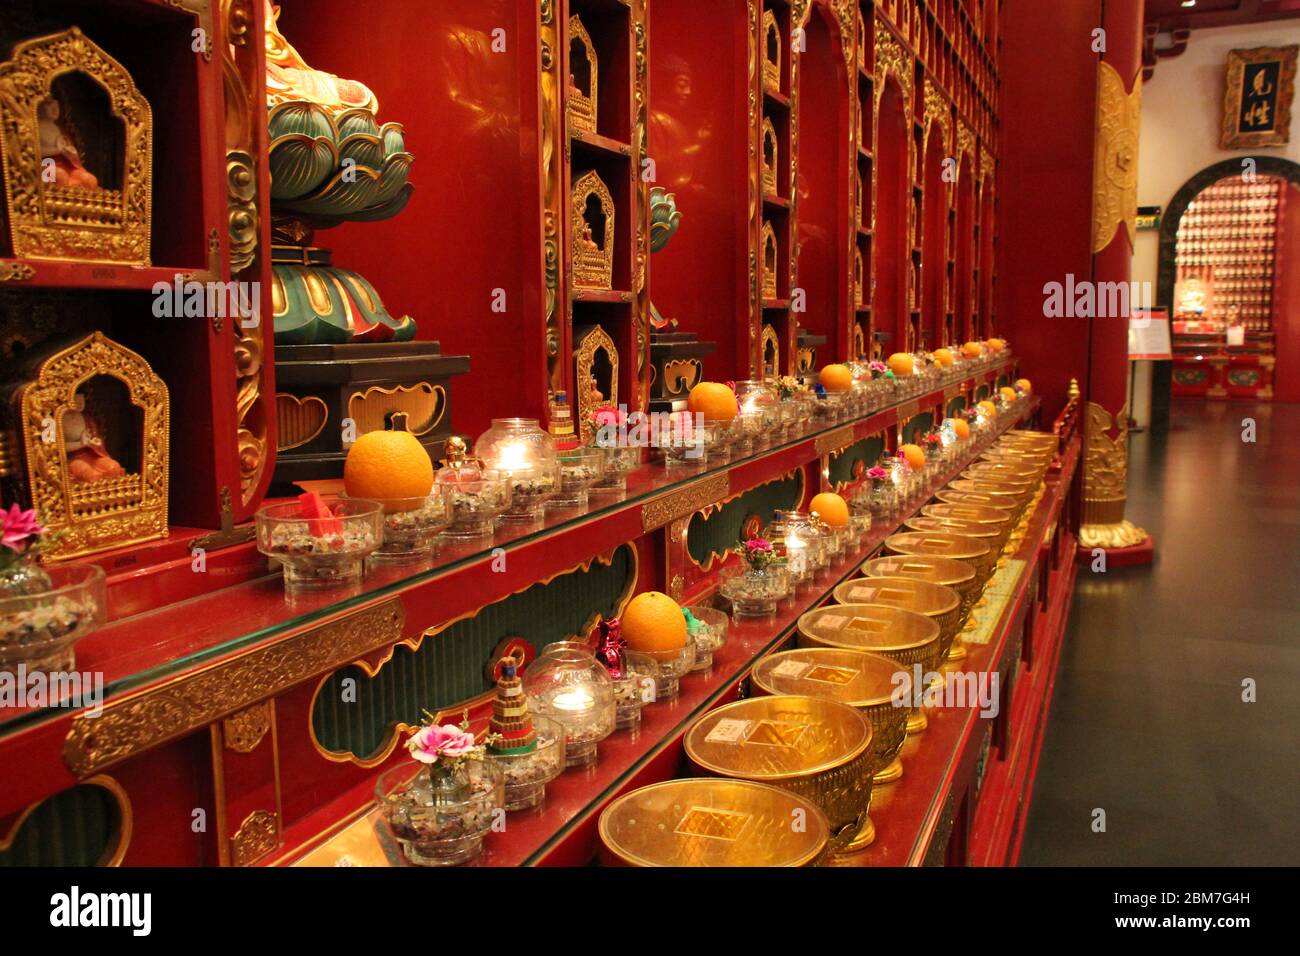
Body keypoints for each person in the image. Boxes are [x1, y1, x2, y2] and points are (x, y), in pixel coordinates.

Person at [37, 97, 99, 190]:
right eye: (49, 106)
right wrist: (58, 150)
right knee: (61, 176)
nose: (55, 110)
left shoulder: (59, 129)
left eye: (57, 106)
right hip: (46, 163)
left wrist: (70, 152)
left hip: (65, 164)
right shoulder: (35, 128)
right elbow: (32, 151)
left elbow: (67, 148)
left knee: (89, 179)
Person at [62, 393, 125, 483]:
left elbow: (94, 439)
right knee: (90, 475)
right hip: (72, 459)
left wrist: (94, 443)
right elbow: (53, 448)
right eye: (76, 400)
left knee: (113, 468)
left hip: (91, 455)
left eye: (82, 400)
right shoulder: (56, 420)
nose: (80, 403)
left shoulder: (87, 418)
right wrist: (81, 444)